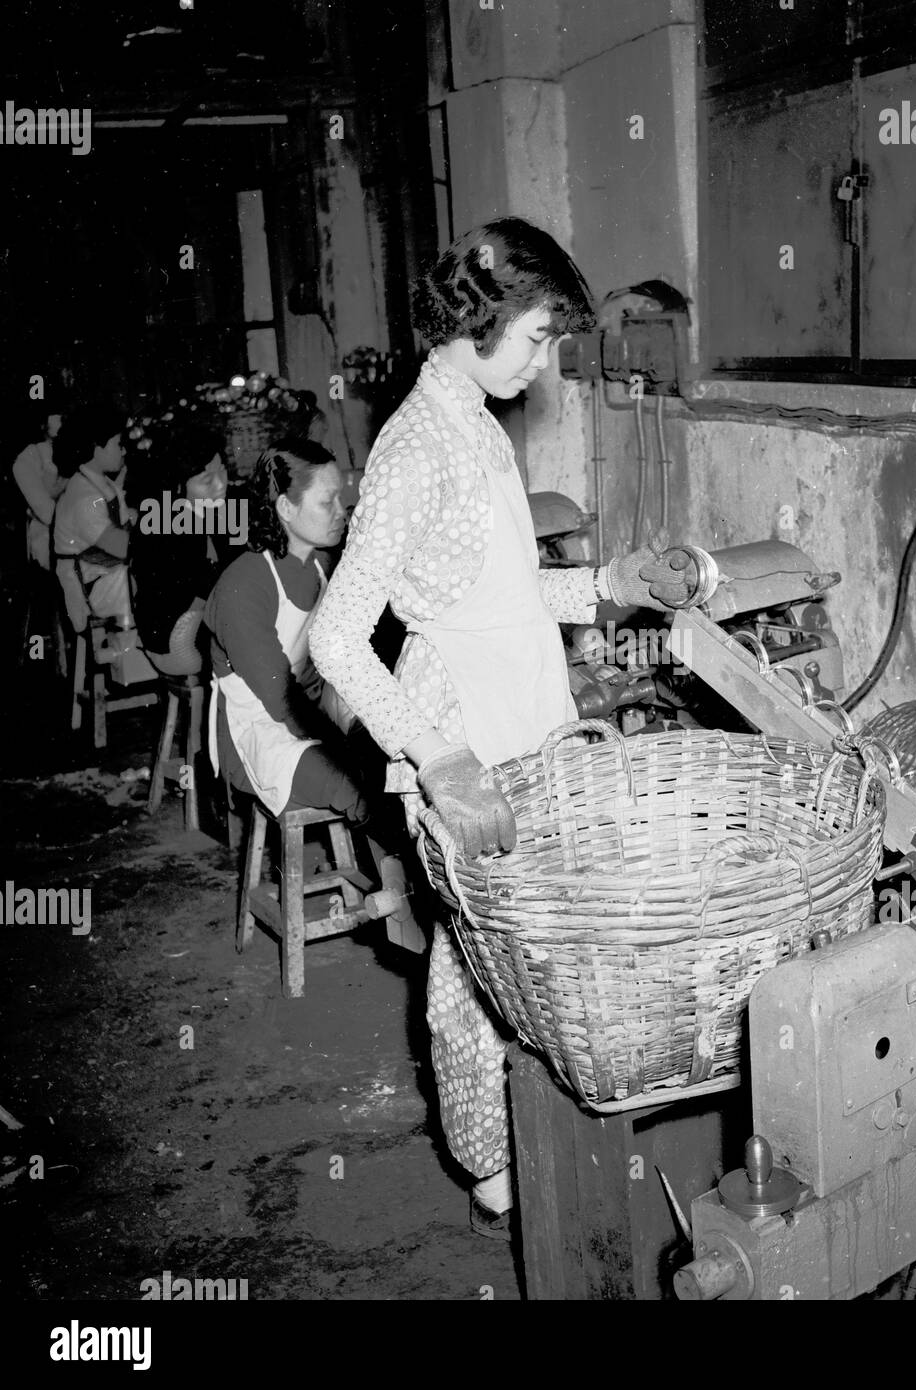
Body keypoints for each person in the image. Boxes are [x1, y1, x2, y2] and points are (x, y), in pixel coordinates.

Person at [309, 216, 692, 1237]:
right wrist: (440, 759)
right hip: (465, 735)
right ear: (475, 319)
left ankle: (542, 1145)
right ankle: (492, 1168)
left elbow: (506, 593)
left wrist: (612, 581)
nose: (543, 359)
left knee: (526, 952)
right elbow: (335, 637)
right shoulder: (416, 448)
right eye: (534, 336)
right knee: (477, 964)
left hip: (521, 713)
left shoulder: (475, 420)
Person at [203, 439, 368, 824]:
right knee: (356, 785)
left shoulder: (322, 564)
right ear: (286, 508)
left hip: (309, 712)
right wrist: (346, 745)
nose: (342, 512)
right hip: (260, 733)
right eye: (327, 502)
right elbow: (280, 698)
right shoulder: (243, 585)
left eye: (341, 498)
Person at [129, 423, 235, 678]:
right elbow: (196, 590)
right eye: (207, 479)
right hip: (176, 637)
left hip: (196, 624)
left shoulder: (209, 511)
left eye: (222, 470)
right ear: (179, 484)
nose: (220, 484)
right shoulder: (166, 524)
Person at [52, 405, 134, 630]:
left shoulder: (104, 484)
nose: (124, 451)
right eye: (118, 444)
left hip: (104, 575)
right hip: (89, 589)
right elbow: (122, 547)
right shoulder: (84, 497)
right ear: (97, 449)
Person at [13, 403, 67, 570]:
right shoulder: (27, 458)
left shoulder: (75, 452)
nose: (63, 419)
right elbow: (45, 510)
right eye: (56, 414)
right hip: (46, 538)